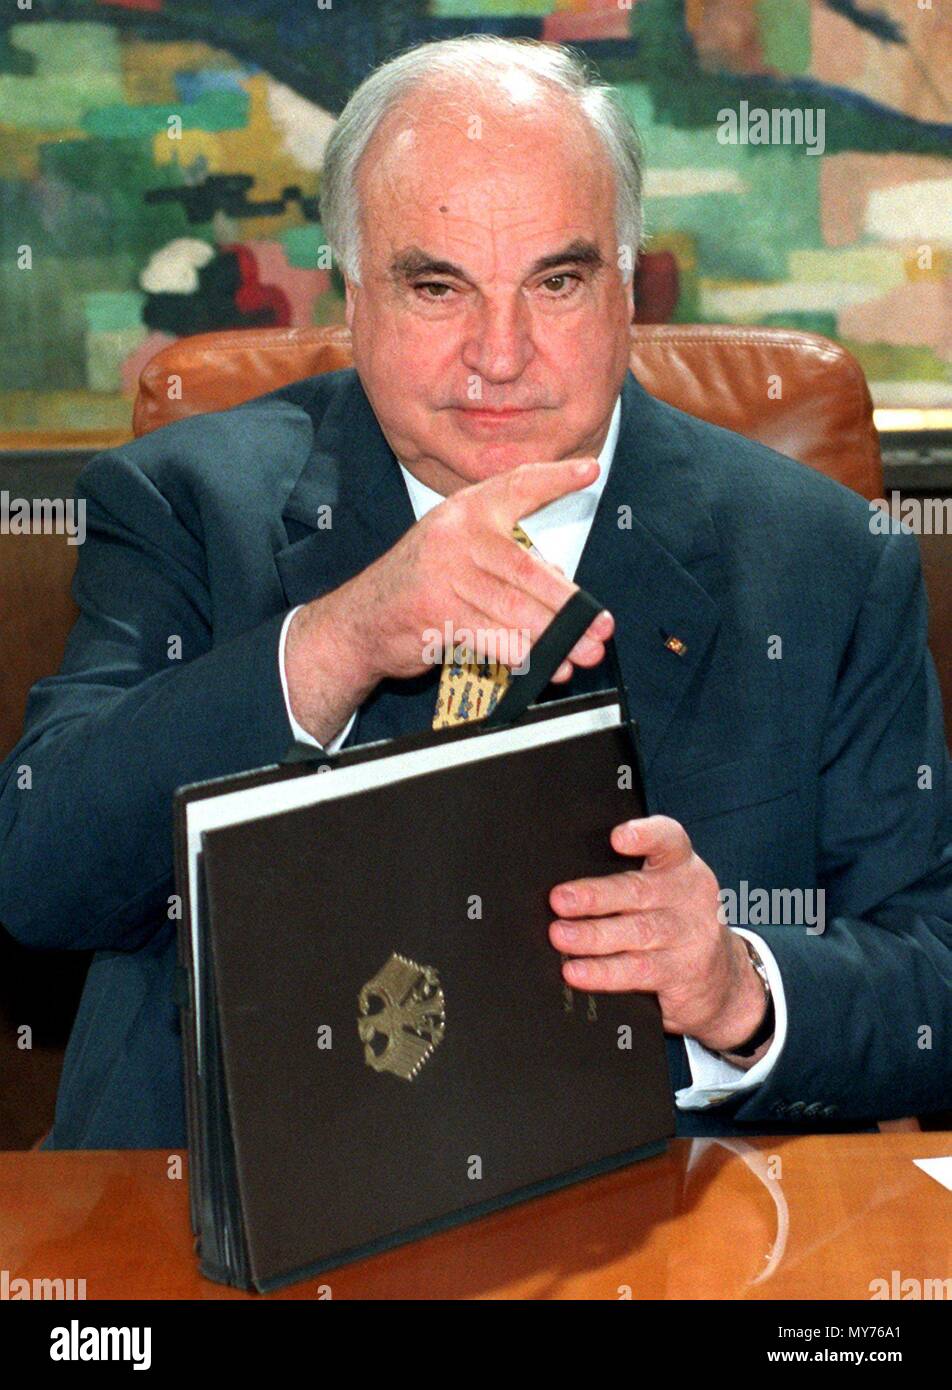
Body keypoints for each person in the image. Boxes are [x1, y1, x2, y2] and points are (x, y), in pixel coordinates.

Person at [1, 36, 949, 1149]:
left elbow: (931, 973)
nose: (499, 356)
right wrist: (336, 640)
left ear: (626, 290)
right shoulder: (183, 502)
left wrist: (739, 991)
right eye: (436, 285)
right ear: (353, 297)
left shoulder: (826, 559)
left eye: (556, 281)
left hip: (652, 1217)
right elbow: (40, 876)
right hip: (234, 1205)